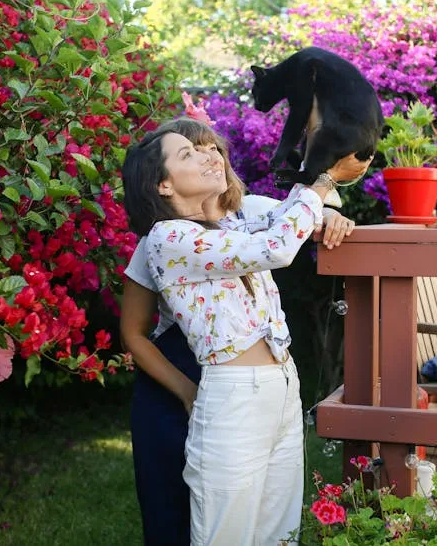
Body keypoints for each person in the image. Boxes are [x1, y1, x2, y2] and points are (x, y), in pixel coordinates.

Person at [122, 123, 371, 545]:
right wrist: (324, 181)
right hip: (233, 393)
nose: (208, 155)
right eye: (187, 154)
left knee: (279, 534)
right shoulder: (169, 238)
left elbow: (291, 217)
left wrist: (323, 188)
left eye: (209, 149)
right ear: (162, 185)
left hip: (281, 384)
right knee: (228, 533)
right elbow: (276, 246)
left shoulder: (233, 222)